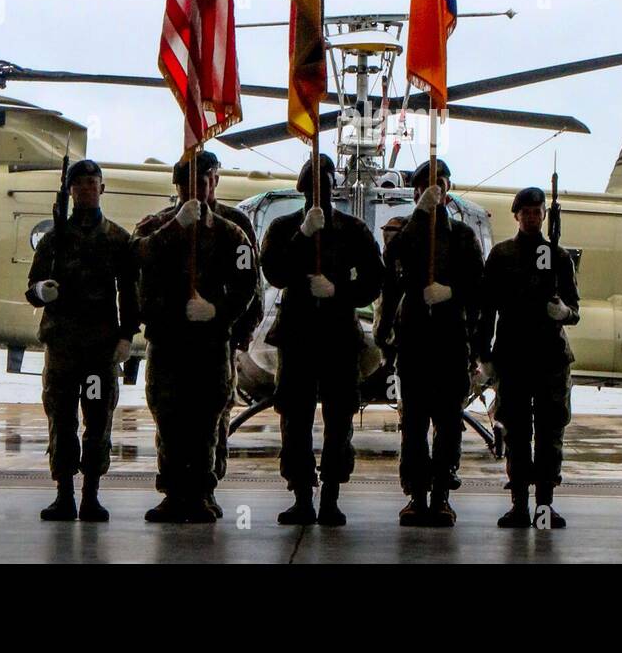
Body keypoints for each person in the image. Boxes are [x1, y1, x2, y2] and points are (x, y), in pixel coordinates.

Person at [133, 150, 264, 507]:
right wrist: (176, 228)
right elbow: (135, 257)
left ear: (216, 181)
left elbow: (250, 284)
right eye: (190, 182)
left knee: (211, 418)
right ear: (176, 185)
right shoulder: (156, 225)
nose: (200, 188)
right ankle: (174, 492)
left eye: (206, 180)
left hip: (212, 340)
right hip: (168, 339)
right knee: (169, 416)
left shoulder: (233, 227)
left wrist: (225, 319)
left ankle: (204, 490)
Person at [260, 154, 383, 526]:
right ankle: (301, 495)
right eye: (315, 186)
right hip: (297, 335)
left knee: (339, 416)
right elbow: (275, 272)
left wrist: (339, 290)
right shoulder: (283, 228)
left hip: (338, 337)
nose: (321, 193)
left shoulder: (353, 229)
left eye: (327, 186)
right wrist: (303, 237)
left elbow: (374, 279)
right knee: (294, 418)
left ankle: (330, 495)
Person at [25, 159, 139, 523]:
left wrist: (126, 335)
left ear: (102, 189)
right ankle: (64, 495)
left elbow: (130, 294)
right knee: (61, 419)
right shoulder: (54, 238)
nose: (87, 188)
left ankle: (91, 494)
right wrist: (43, 291)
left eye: (93, 182)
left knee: (97, 420)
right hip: (63, 348)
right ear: (71, 191)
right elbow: (32, 287)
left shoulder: (118, 239)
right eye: (80, 183)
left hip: (99, 350)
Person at [376, 159, 484, 527]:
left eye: (440, 184)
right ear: (417, 190)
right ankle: (416, 495)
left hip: (452, 340)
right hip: (416, 340)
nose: (434, 190)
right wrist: (420, 217)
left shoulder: (463, 236)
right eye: (426, 185)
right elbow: (390, 265)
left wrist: (452, 293)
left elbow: (478, 288)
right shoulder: (407, 230)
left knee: (449, 423)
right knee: (415, 423)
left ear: (448, 190)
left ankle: (441, 496)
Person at [475, 187, 580, 529]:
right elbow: (486, 308)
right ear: (516, 215)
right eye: (527, 211)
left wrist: (562, 311)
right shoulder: (502, 256)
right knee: (517, 434)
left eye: (538, 211)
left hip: (550, 359)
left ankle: (545, 506)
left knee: (550, 434)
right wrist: (483, 353)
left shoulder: (559, 257)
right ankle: (519, 505)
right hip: (514, 357)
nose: (533, 216)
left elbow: (574, 310)